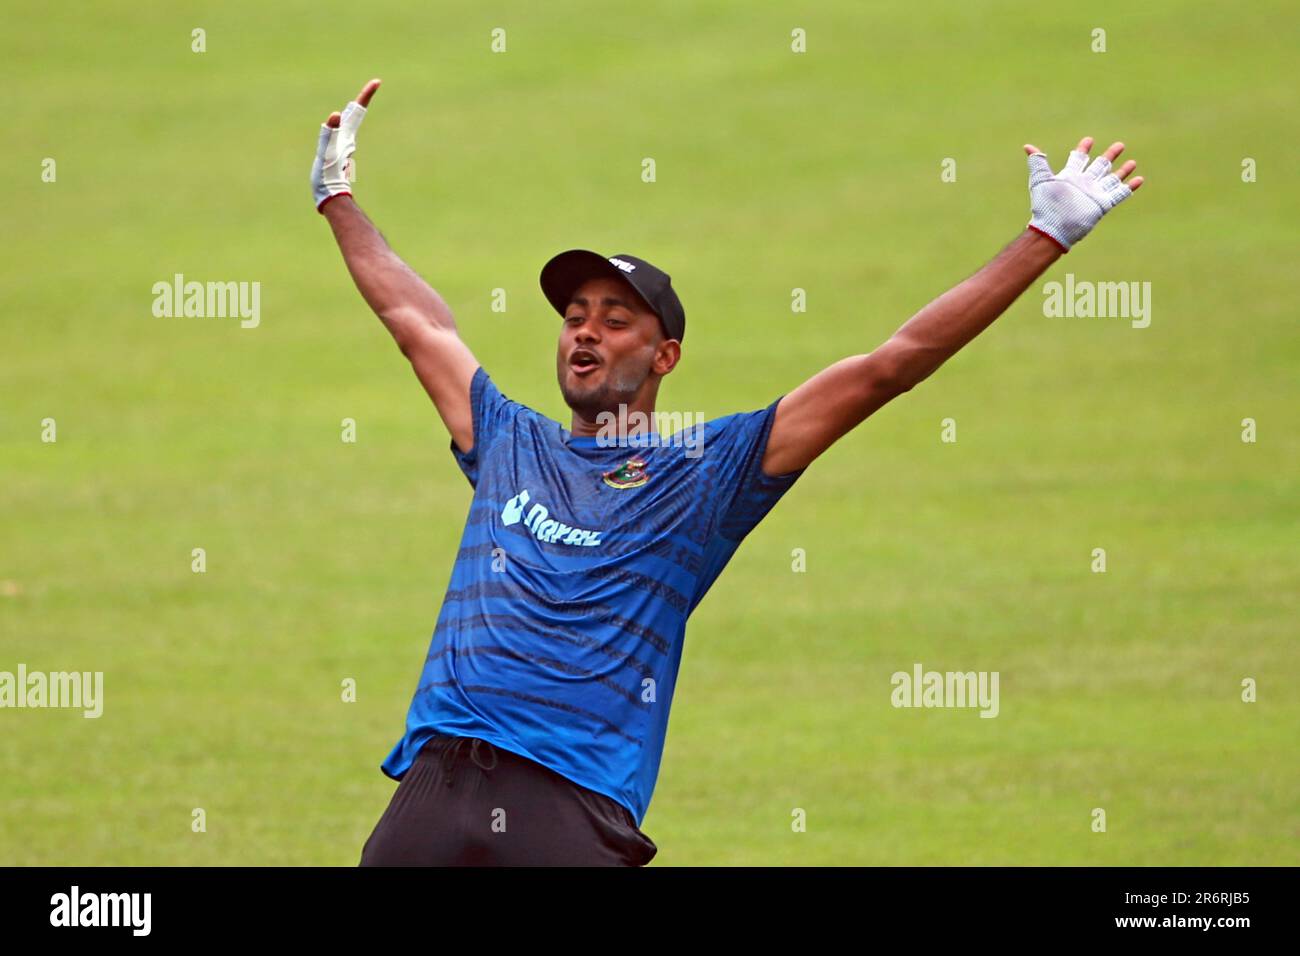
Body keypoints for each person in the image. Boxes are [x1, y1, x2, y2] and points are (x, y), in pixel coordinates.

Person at [311, 79, 1145, 866]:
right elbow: (411, 316)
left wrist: (1046, 238)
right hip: (432, 791)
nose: (585, 333)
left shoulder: (710, 471)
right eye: (573, 317)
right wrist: (337, 197)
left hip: (568, 809)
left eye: (615, 319)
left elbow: (889, 366)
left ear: (665, 354)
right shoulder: (505, 439)